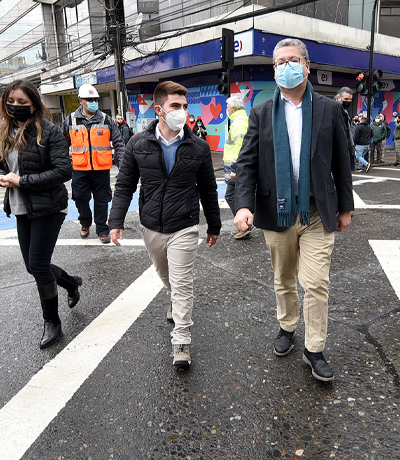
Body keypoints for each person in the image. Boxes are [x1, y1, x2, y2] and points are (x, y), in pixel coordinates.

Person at [233, 38, 354, 382]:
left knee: (316, 282)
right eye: (279, 62)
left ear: (306, 66)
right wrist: (243, 204)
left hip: (317, 211)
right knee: (283, 279)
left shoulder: (330, 109)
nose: (286, 66)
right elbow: (247, 164)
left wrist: (345, 207)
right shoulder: (260, 113)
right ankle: (287, 326)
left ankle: (314, 348)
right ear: (274, 71)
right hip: (277, 211)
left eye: (292, 60)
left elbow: (342, 163)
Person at [108, 81, 221, 372]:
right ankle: (172, 299)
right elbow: (124, 186)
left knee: (183, 283)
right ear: (159, 110)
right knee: (165, 275)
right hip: (151, 225)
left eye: (185, 106)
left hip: (184, 224)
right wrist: (115, 221)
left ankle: (181, 339)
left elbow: (209, 189)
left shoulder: (197, 146)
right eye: (175, 106)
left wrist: (214, 225)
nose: (182, 112)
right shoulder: (137, 144)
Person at [0, 79, 82, 349]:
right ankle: (70, 282)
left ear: (34, 103)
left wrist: (22, 181)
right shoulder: (5, 131)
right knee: (32, 266)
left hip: (49, 207)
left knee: (39, 265)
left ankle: (52, 321)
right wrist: (0, 177)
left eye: (22, 102)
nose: (15, 106)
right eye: (11, 101)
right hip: (21, 207)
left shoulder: (49, 131)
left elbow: (64, 171)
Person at [61, 84, 125, 243]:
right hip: (79, 170)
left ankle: (102, 230)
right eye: (89, 100)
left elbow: (119, 143)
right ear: (81, 101)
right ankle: (85, 222)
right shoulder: (70, 120)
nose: (93, 102)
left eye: (95, 99)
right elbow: (61, 145)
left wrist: (123, 166)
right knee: (80, 198)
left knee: (102, 200)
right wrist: (63, 166)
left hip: (101, 170)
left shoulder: (106, 119)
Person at [223, 96, 251, 239]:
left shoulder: (239, 123)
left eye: (227, 107)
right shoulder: (240, 121)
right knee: (235, 195)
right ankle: (244, 225)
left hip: (236, 169)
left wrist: (235, 169)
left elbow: (240, 148)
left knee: (231, 196)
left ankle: (244, 225)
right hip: (237, 168)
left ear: (233, 109)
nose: (226, 109)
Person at [334, 87, 356, 171]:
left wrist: (351, 145)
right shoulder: (332, 110)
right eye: (346, 99)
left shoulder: (345, 112)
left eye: (350, 99)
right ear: (338, 98)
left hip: (346, 146)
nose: (348, 101)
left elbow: (348, 130)